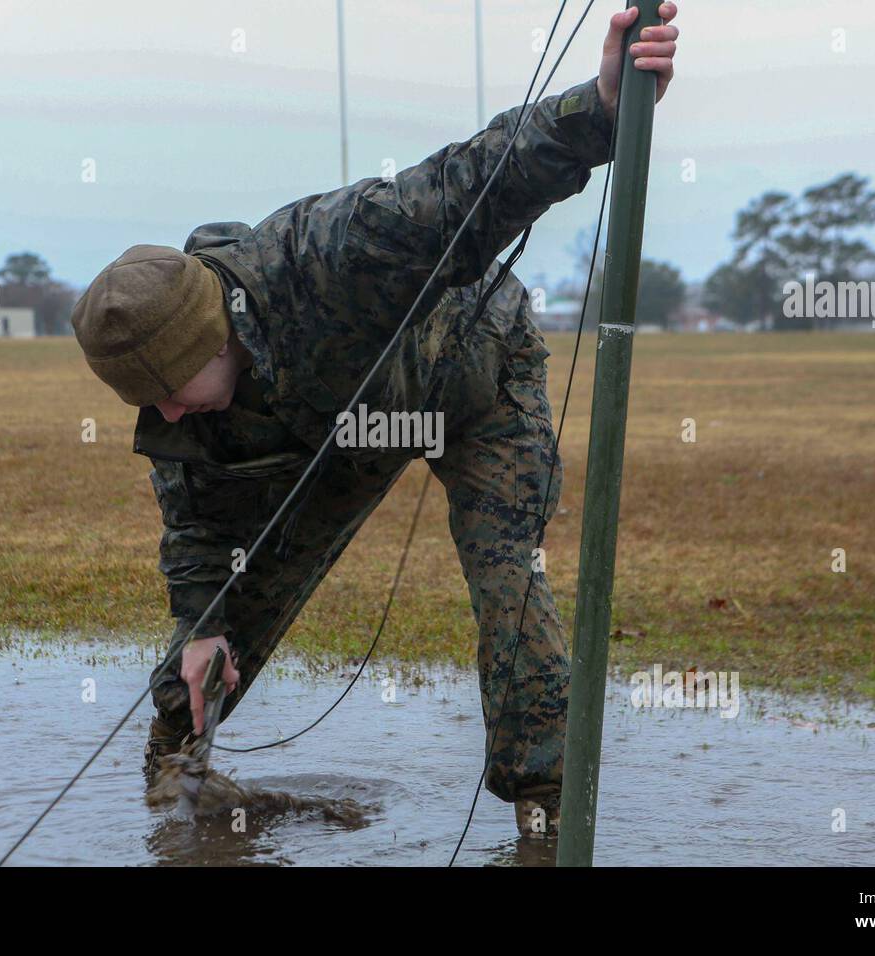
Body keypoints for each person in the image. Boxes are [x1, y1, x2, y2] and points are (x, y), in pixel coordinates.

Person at [70, 3, 679, 838]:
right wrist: (206, 626)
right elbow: (200, 526)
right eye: (150, 404)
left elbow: (470, 180)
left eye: (175, 386)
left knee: (509, 580)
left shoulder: (331, 252)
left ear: (222, 334)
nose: (168, 413)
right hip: (339, 432)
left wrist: (600, 110)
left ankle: (546, 814)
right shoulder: (183, 409)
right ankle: (176, 791)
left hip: (474, 383)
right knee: (214, 631)